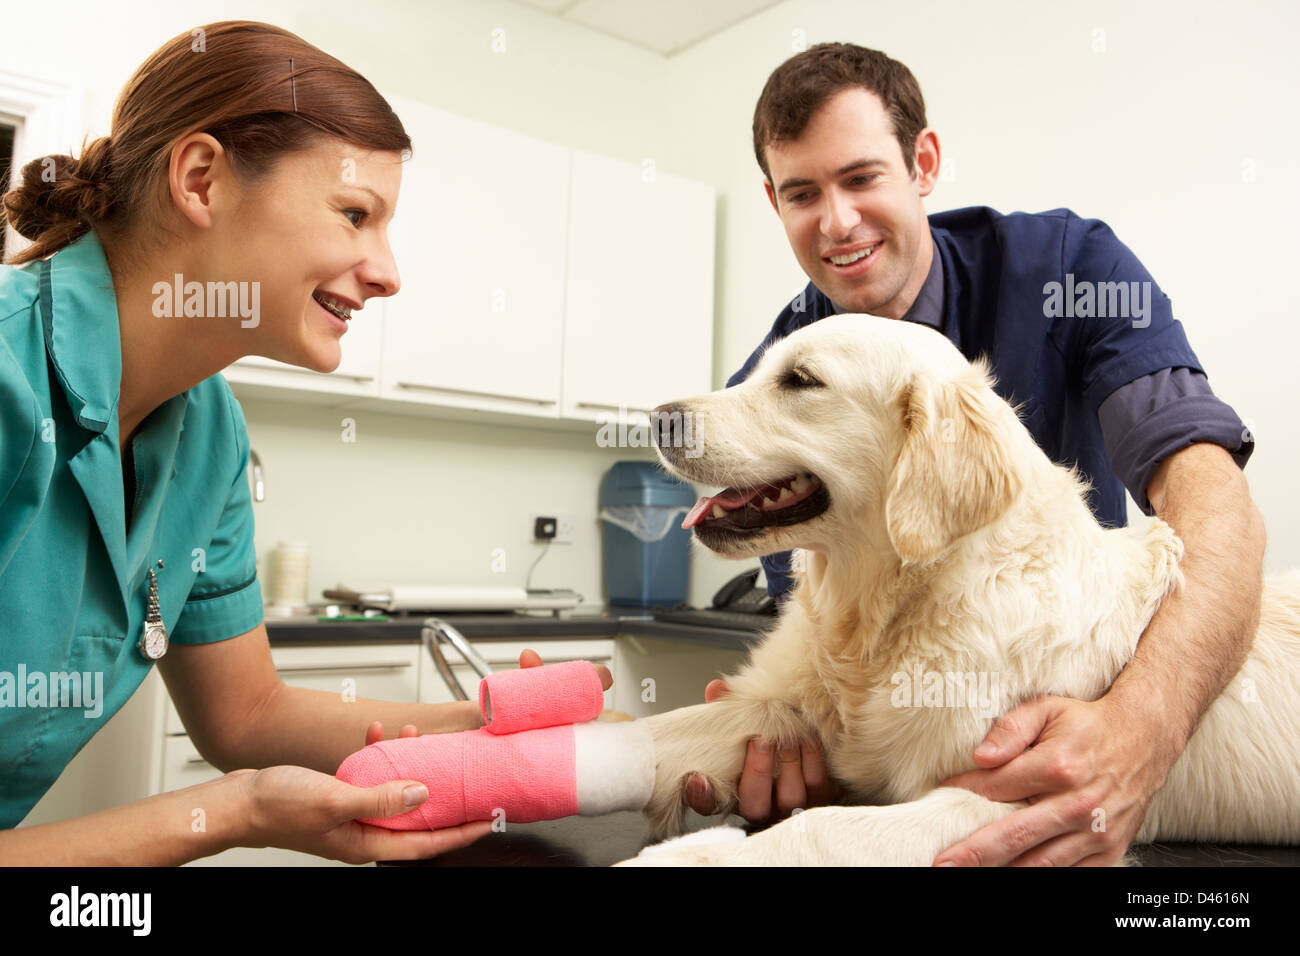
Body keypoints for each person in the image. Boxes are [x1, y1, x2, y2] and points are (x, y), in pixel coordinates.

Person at [0, 19, 611, 866]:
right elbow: (242, 772)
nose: (388, 271)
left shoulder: (208, 436)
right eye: (355, 214)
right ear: (203, 180)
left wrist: (485, 722)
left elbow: (247, 716)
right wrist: (238, 814)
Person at [685, 43, 1266, 867]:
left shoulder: (1072, 272)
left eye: (861, 178)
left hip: (1064, 700)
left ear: (923, 163)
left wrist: (1141, 728)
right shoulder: (791, 363)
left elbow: (1219, 511)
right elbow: (818, 629)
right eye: (802, 193)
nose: (837, 222)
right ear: (773, 200)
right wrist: (796, 739)